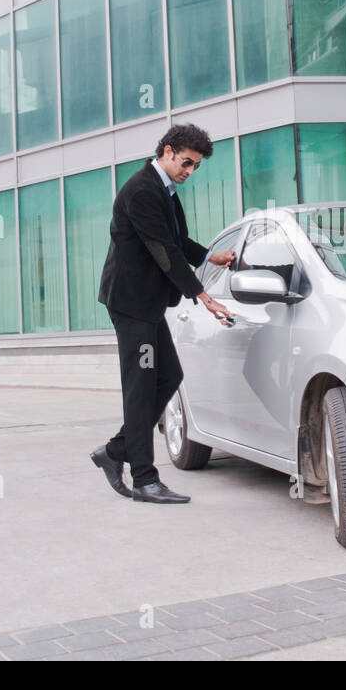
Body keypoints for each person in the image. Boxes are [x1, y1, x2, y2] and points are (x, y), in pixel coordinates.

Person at [92, 124, 235, 504]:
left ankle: (115, 450)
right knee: (141, 388)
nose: (190, 171)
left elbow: (177, 242)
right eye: (187, 162)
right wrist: (203, 295)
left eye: (196, 166)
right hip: (132, 304)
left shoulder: (165, 190)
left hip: (149, 304)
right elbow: (161, 251)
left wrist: (209, 256)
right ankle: (143, 479)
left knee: (169, 375)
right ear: (168, 152)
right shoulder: (141, 190)